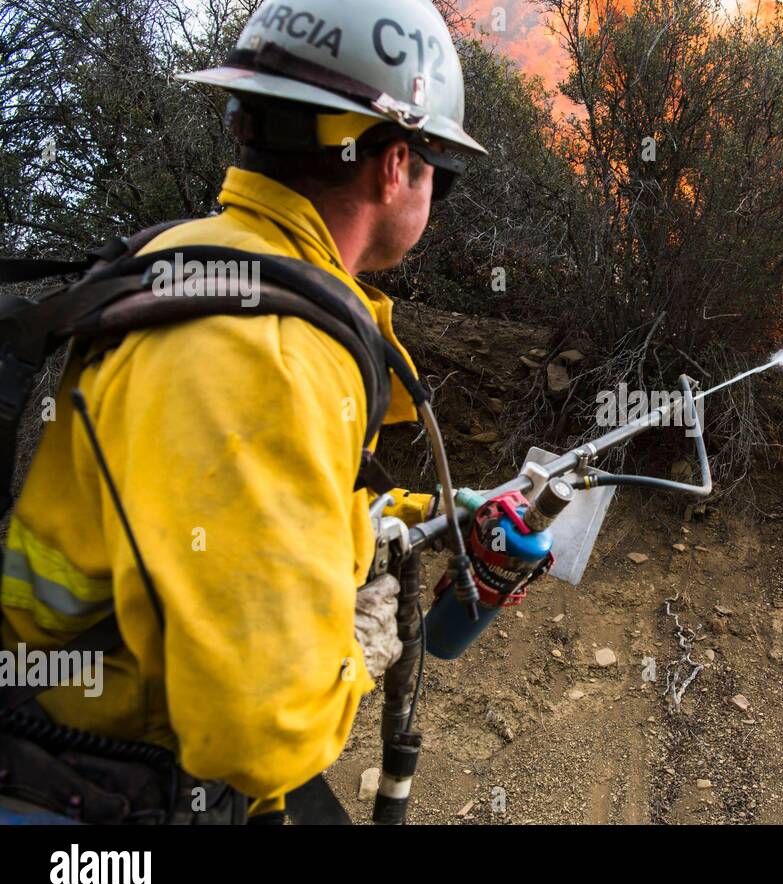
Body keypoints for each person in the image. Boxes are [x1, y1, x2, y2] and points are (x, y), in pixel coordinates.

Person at [0, 0, 486, 823]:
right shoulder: (269, 354)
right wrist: (355, 654)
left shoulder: (188, 261)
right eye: (443, 164)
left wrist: (413, 516)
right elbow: (260, 736)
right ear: (396, 163)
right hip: (92, 802)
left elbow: (223, 508)